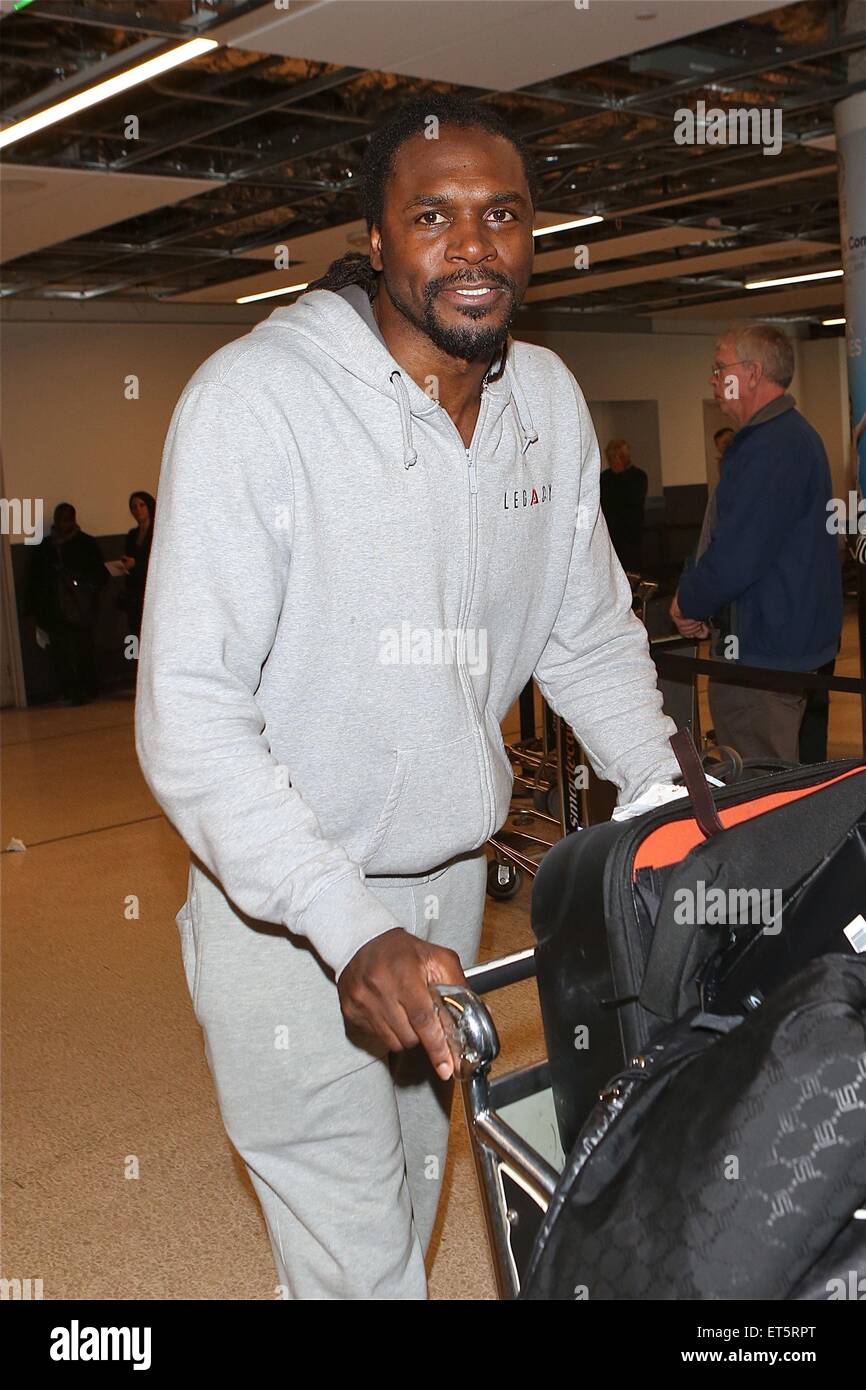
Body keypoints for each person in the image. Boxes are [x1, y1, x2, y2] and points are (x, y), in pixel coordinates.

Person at [136, 93, 683, 1302]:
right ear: (376, 241)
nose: (472, 245)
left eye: (502, 215)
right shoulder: (255, 402)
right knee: (361, 1260)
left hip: (447, 885)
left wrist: (660, 799)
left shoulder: (544, 400)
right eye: (432, 216)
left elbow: (583, 632)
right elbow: (191, 715)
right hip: (284, 910)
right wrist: (345, 928)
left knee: (408, 1199)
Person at [670, 323, 843, 762]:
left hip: (761, 659)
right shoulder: (793, 435)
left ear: (751, 372)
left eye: (719, 367)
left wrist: (689, 602)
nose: (713, 378)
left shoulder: (770, 446)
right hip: (787, 648)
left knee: (758, 785)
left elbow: (737, 556)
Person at [24, 502, 108, 706]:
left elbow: (99, 575)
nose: (62, 524)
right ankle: (70, 688)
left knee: (82, 649)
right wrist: (33, 610)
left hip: (80, 607)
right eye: (59, 519)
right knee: (61, 651)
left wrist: (85, 590)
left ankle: (86, 688)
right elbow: (34, 580)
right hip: (54, 607)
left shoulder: (85, 544)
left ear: (73, 519)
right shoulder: (45, 547)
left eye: (66, 519)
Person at [599, 438, 647, 572]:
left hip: (631, 534)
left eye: (616, 456)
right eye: (610, 457)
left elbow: (633, 500)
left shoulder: (638, 476)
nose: (613, 460)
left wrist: (621, 474)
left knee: (631, 569)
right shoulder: (604, 479)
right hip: (610, 534)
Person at [119, 490, 156, 640]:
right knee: (135, 631)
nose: (138, 510)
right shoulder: (132, 534)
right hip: (135, 590)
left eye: (142, 505)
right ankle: (135, 660)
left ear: (150, 507)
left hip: (152, 590)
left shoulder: (158, 531)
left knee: (151, 634)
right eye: (134, 507)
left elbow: (157, 561)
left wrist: (137, 563)